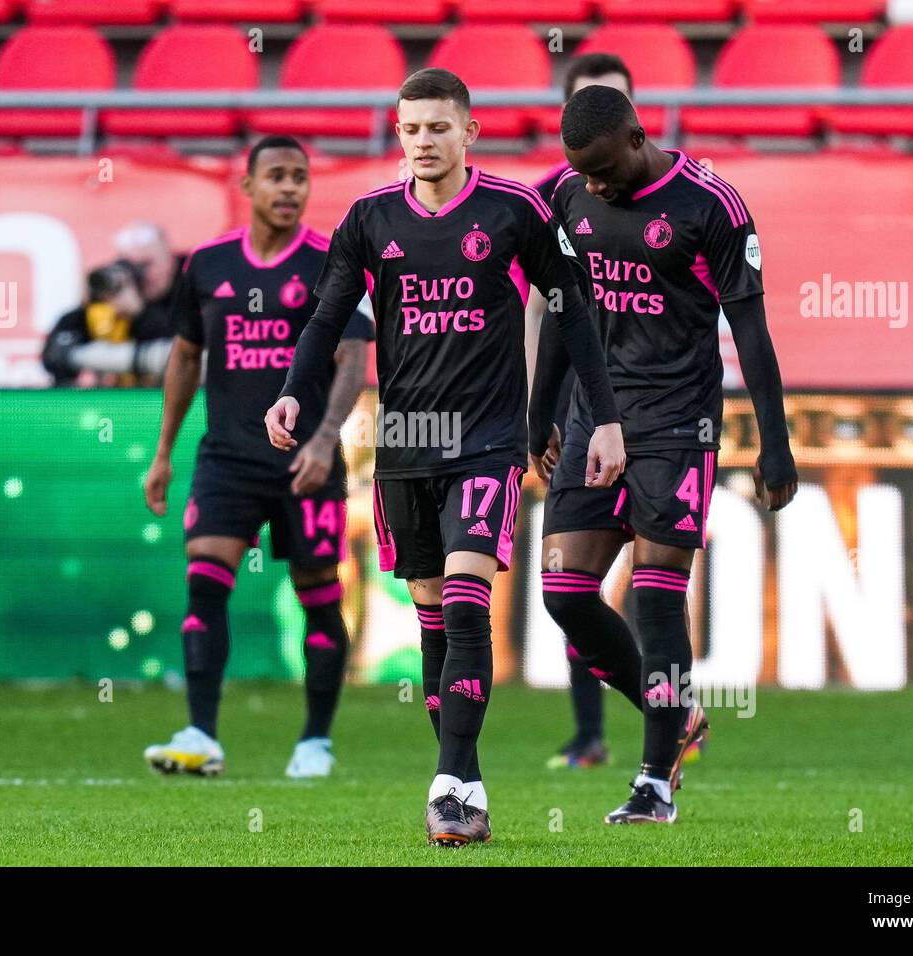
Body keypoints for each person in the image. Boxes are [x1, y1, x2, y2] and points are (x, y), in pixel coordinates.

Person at [265, 69, 625, 847]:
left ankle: (448, 783)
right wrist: (294, 390)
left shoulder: (514, 211)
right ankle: (465, 779)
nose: (424, 142)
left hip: (487, 440)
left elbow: (575, 311)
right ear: (399, 136)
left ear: (470, 132)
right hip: (406, 441)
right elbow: (328, 316)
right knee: (432, 614)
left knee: (467, 597)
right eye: (411, 130)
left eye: (438, 128)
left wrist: (603, 419)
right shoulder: (368, 219)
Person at [530, 85, 798, 825]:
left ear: (639, 137)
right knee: (564, 593)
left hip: (679, 425)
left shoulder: (711, 205)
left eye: (605, 171)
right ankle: (677, 713)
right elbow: (564, 307)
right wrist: (539, 413)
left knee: (655, 593)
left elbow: (752, 329)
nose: (594, 186)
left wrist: (775, 443)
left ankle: (653, 780)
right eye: (582, 173)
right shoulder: (567, 198)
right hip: (593, 415)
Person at [142, 135, 374, 779]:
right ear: (247, 187)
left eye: (299, 177)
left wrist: (327, 439)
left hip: (307, 464)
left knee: (320, 598)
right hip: (227, 458)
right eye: (276, 176)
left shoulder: (333, 262)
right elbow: (187, 357)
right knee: (203, 584)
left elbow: (353, 355)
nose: (289, 188)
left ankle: (316, 741)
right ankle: (200, 733)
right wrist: (164, 453)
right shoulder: (208, 266)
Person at [529, 52, 635, 772]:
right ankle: (590, 731)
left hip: (658, 405)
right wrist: (537, 402)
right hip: (579, 403)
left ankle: (665, 731)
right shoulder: (550, 198)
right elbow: (541, 302)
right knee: (573, 578)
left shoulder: (684, 191)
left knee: (658, 577)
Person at [41, 260, 171, 387]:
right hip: (102, 398)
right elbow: (52, 358)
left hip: (148, 397)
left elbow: (172, 355)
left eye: (120, 287)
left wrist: (139, 313)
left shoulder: (156, 314)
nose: (110, 295)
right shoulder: (80, 318)